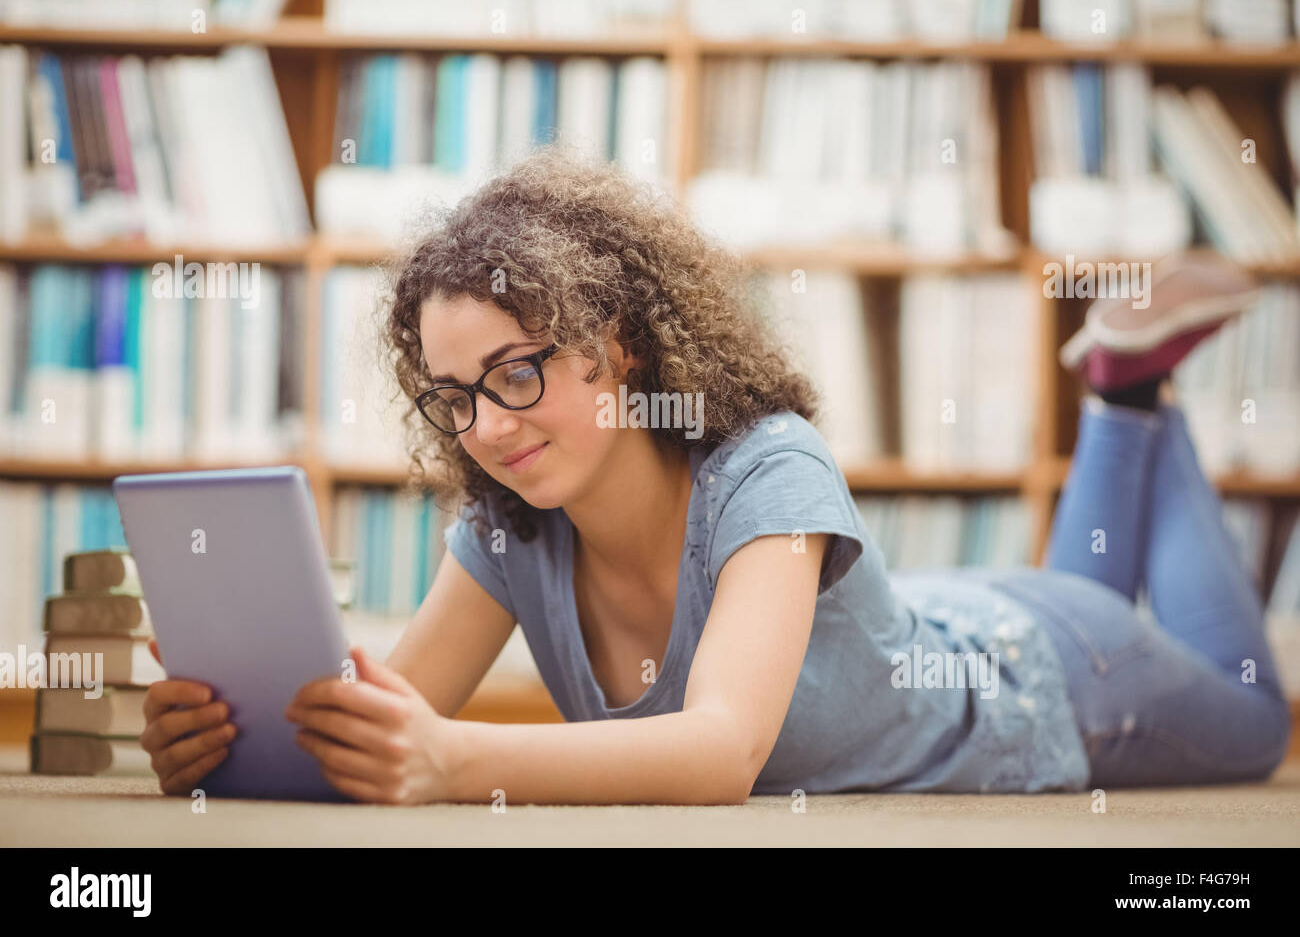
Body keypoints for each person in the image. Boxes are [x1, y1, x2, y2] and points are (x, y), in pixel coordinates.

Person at [139, 149, 1292, 804]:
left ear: (619, 346)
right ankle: (1124, 395)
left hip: (1052, 669)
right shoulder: (509, 524)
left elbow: (720, 749)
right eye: (454, 394)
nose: (485, 426)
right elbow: (400, 719)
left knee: (1254, 723)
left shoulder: (766, 466)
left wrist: (456, 759)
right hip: (941, 618)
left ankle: (1129, 396)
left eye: (516, 373)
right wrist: (248, 738)